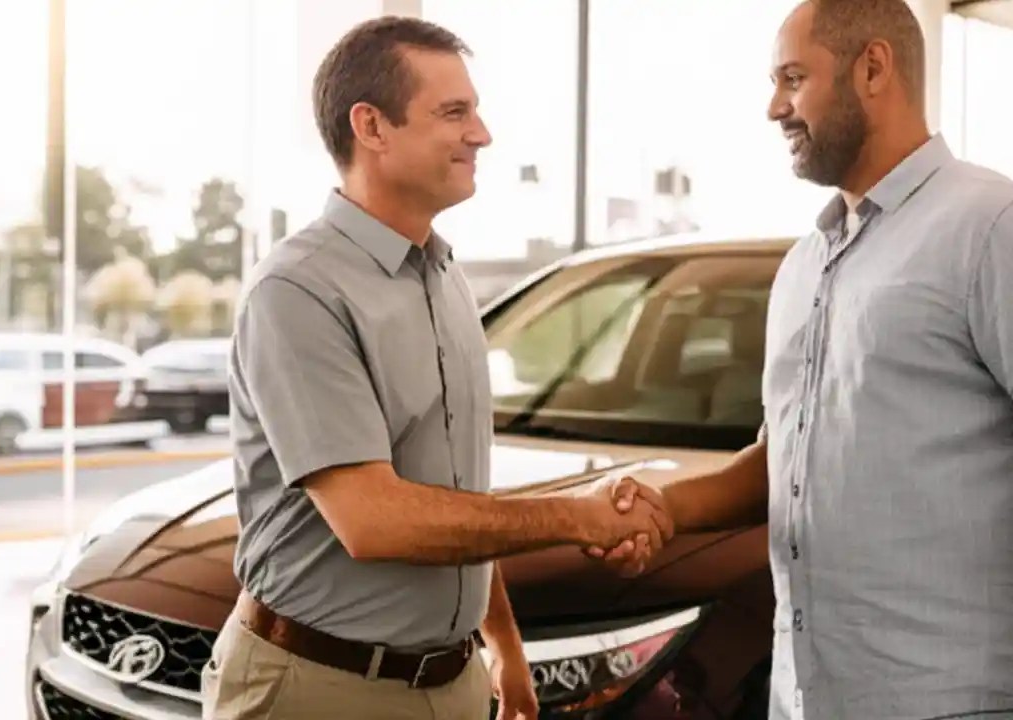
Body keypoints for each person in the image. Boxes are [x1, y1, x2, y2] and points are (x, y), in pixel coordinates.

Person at [591, 1, 1013, 718]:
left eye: (793, 78)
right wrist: (663, 507)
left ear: (873, 67)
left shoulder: (997, 228)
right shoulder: (806, 264)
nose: (773, 107)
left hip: (954, 702)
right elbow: (785, 461)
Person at [202, 16, 671, 720]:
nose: (481, 133)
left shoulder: (445, 277)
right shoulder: (297, 292)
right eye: (455, 113)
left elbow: (458, 494)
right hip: (317, 688)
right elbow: (375, 520)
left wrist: (503, 646)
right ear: (372, 126)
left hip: (453, 683)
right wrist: (577, 517)